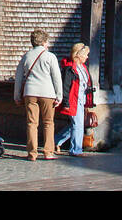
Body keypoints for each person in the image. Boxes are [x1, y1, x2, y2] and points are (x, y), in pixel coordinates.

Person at [13, 28, 63, 161]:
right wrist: (59, 95)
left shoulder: (26, 56)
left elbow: (18, 77)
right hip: (47, 92)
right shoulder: (50, 56)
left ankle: (32, 153)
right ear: (44, 42)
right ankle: (48, 152)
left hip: (30, 92)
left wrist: (17, 95)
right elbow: (56, 78)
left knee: (31, 123)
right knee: (48, 122)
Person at [55, 43, 94, 156]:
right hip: (73, 99)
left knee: (78, 123)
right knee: (77, 124)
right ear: (79, 55)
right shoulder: (69, 69)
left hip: (82, 99)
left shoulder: (83, 67)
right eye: (86, 54)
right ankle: (76, 150)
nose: (87, 57)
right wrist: (66, 102)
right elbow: (65, 87)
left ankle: (56, 140)